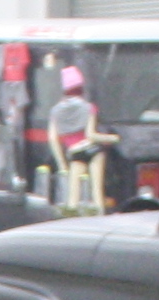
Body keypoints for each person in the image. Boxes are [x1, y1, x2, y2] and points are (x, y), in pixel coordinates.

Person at [45, 64, 111, 211]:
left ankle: (72, 219)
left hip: (75, 152)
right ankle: (100, 216)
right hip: (93, 148)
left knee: (73, 194)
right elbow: (91, 134)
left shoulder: (56, 111)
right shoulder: (89, 107)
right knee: (97, 190)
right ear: (81, 87)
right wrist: (112, 138)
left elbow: (53, 138)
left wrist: (62, 164)